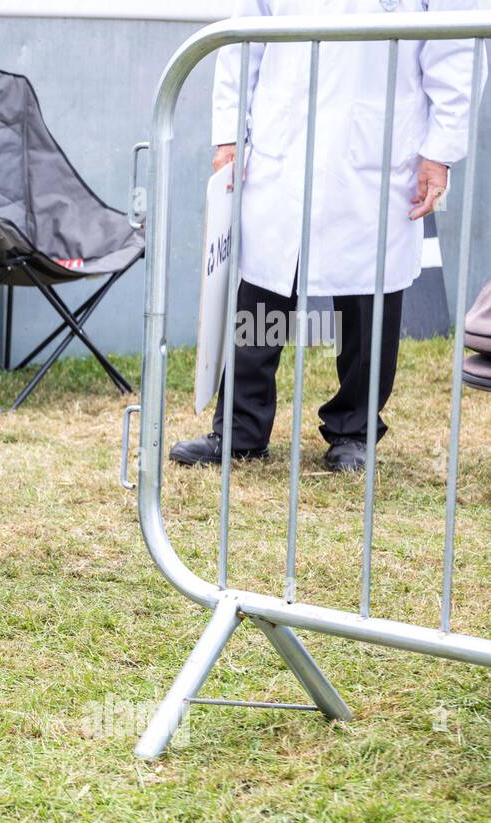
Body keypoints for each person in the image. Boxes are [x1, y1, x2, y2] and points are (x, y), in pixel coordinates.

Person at [170, 0, 486, 473]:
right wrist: (231, 132)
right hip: (285, 138)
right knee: (263, 288)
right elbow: (246, 32)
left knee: (369, 296)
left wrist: (439, 150)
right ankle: (240, 429)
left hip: (376, 144)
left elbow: (455, 42)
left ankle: (354, 430)